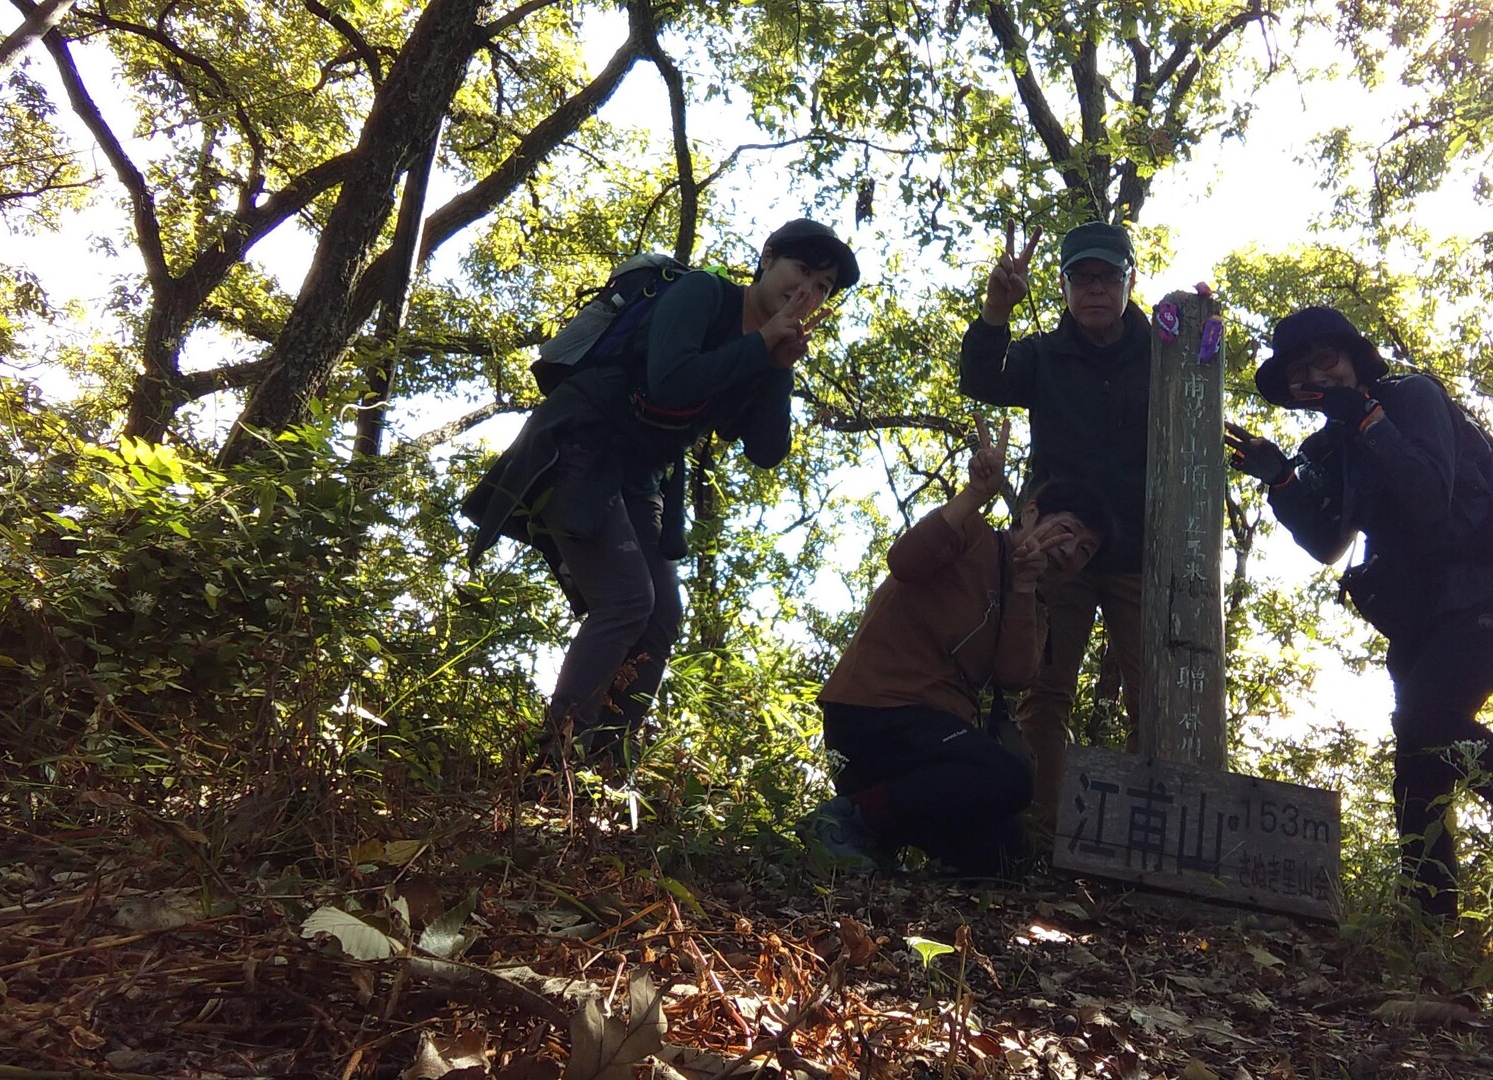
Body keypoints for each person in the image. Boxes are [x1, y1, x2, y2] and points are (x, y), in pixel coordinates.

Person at [1223, 305, 1493, 917]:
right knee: (1418, 751)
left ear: (1354, 357)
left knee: (1428, 718)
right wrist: (1282, 481)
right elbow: (1327, 542)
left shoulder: (1410, 397)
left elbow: (1431, 497)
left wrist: (1369, 420)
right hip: (1420, 611)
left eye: (1326, 361)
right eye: (1304, 374)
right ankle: (1430, 914)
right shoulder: (1332, 444)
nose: (1319, 379)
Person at [465, 219, 860, 768]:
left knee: (661, 617)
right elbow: (669, 381)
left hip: (638, 476)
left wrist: (777, 370)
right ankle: (554, 762)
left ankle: (603, 768)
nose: (808, 290)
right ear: (767, 257)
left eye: (822, 286)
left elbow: (766, 450)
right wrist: (760, 345)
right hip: (578, 445)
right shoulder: (703, 293)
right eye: (803, 271)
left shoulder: (767, 349)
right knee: (627, 601)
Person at [807, 416, 1114, 876]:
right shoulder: (971, 537)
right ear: (1030, 512)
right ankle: (847, 819)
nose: (1071, 552)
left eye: (1085, 551)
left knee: (1008, 855)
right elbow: (904, 562)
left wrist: (1024, 588)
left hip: (934, 755)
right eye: (1067, 531)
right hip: (873, 716)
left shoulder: (1035, 607)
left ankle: (879, 842)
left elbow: (1013, 678)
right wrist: (974, 494)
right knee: (1009, 777)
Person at [957, 220, 1151, 826]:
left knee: (1158, 697)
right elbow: (981, 378)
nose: (1095, 288)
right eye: (1081, 276)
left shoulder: (1163, 356)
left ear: (1129, 282)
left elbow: (1204, 399)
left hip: (1141, 557)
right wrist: (996, 309)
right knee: (1043, 693)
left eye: (1108, 276)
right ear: (1064, 286)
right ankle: (1039, 833)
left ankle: (1153, 847)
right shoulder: (1043, 355)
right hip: (1054, 554)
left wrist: (1205, 329)